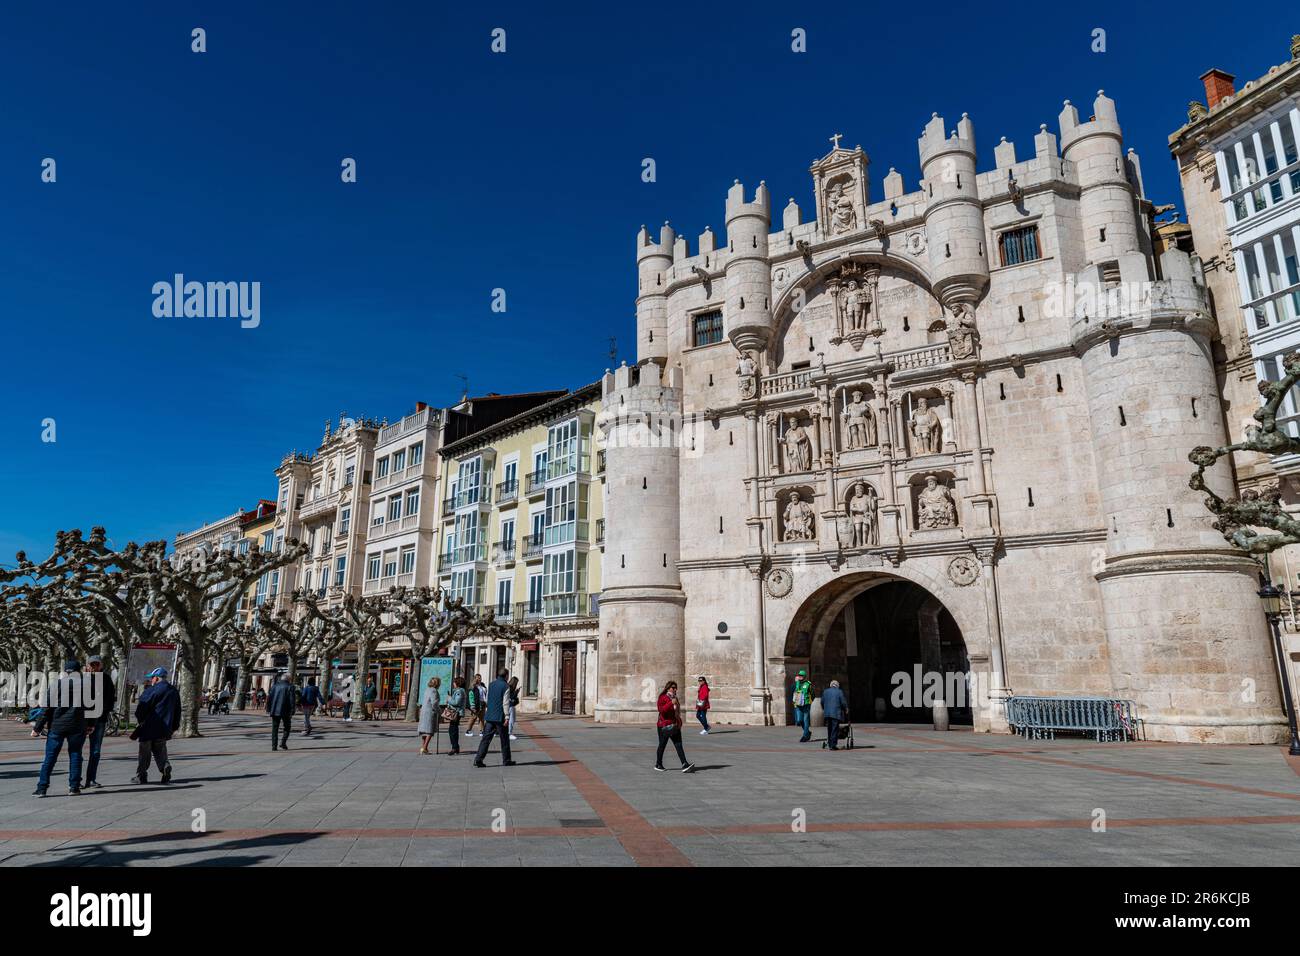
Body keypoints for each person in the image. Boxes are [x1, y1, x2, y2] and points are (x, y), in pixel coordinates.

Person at [32, 660, 89, 797]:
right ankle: (74, 787)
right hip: (77, 725)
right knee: (75, 755)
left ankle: (42, 788)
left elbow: (46, 709)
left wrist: (38, 728)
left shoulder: (56, 685)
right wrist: (91, 724)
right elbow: (90, 707)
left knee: (50, 757)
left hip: (57, 726)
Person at [132, 667, 180, 784]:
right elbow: (177, 710)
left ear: (157, 678)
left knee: (144, 752)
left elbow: (142, 708)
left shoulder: (151, 691)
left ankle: (141, 775)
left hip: (148, 726)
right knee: (160, 750)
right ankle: (164, 766)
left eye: (152, 678)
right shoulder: (173, 691)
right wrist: (174, 726)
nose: (151, 680)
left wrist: (140, 719)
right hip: (165, 727)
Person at [83, 655, 117, 789]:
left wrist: (103, 711)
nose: (94, 667)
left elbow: (110, 699)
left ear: (101, 666)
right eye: (92, 664)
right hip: (82, 720)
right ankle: (76, 780)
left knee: (95, 751)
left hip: (99, 719)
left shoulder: (106, 679)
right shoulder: (81, 679)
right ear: (87, 666)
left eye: (97, 664)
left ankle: (91, 779)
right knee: (76, 751)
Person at [473, 669, 516, 768]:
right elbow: (506, 703)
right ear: (506, 676)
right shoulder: (506, 686)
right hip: (500, 716)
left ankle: (478, 759)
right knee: (504, 739)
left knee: (486, 739)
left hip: (490, 715)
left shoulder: (491, 684)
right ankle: (506, 760)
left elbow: (487, 699)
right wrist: (507, 716)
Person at [654, 680, 694, 773]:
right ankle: (658, 764)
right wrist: (671, 703)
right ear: (668, 688)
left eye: (676, 688)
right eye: (673, 688)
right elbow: (661, 711)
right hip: (664, 725)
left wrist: (679, 721)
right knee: (662, 745)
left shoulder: (675, 698)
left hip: (674, 725)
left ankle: (684, 764)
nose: (675, 689)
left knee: (678, 744)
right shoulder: (663, 697)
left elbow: (676, 712)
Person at [266, 671, 296, 750]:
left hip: (275, 709)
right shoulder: (290, 686)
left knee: (274, 728)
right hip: (286, 710)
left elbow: (269, 698)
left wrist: (268, 708)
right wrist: (293, 710)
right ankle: (283, 742)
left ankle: (274, 746)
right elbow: (292, 699)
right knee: (287, 727)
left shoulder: (275, 686)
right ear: (289, 679)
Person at [821, 680, 848, 750]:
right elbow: (843, 702)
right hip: (835, 713)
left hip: (827, 713)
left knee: (829, 728)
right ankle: (833, 745)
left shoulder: (825, 691)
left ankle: (830, 744)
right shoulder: (839, 691)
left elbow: (822, 702)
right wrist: (846, 709)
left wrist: (825, 709)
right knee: (834, 729)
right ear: (837, 685)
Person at [418, 676, 441, 755]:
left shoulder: (427, 690)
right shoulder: (434, 691)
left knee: (425, 730)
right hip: (430, 712)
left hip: (424, 711)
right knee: (430, 731)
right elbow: (434, 703)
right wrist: (438, 711)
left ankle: (424, 747)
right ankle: (424, 748)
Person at [445, 676, 467, 756]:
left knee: (453, 730)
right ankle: (455, 747)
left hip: (456, 713)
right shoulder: (459, 691)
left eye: (454, 682)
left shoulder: (459, 691)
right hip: (455, 712)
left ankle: (454, 747)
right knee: (453, 729)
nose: (453, 683)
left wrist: (449, 699)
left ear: (458, 683)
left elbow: (456, 702)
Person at [792, 670, 814, 743]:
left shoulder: (808, 684)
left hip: (806, 704)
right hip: (798, 704)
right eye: (799, 675)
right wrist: (796, 682)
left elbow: (812, 693)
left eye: (801, 676)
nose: (800, 677)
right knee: (799, 720)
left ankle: (805, 736)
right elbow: (795, 692)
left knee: (805, 720)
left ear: (804, 677)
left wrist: (810, 701)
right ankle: (807, 732)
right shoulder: (796, 683)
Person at [505, 676, 520, 740]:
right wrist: (516, 692)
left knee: (509, 720)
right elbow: (511, 697)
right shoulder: (510, 688)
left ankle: (507, 732)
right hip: (510, 706)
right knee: (511, 720)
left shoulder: (507, 686)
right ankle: (509, 733)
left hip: (508, 705)